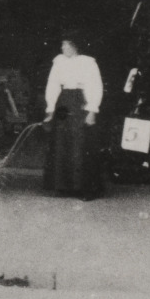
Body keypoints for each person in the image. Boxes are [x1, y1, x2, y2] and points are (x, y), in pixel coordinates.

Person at [42, 32, 106, 199]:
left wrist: (92, 110)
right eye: (62, 45)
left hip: (81, 102)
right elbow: (53, 84)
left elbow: (95, 86)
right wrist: (50, 108)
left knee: (80, 143)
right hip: (63, 103)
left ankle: (84, 189)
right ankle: (63, 186)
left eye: (66, 45)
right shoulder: (58, 61)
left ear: (75, 46)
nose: (63, 48)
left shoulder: (88, 62)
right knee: (62, 141)